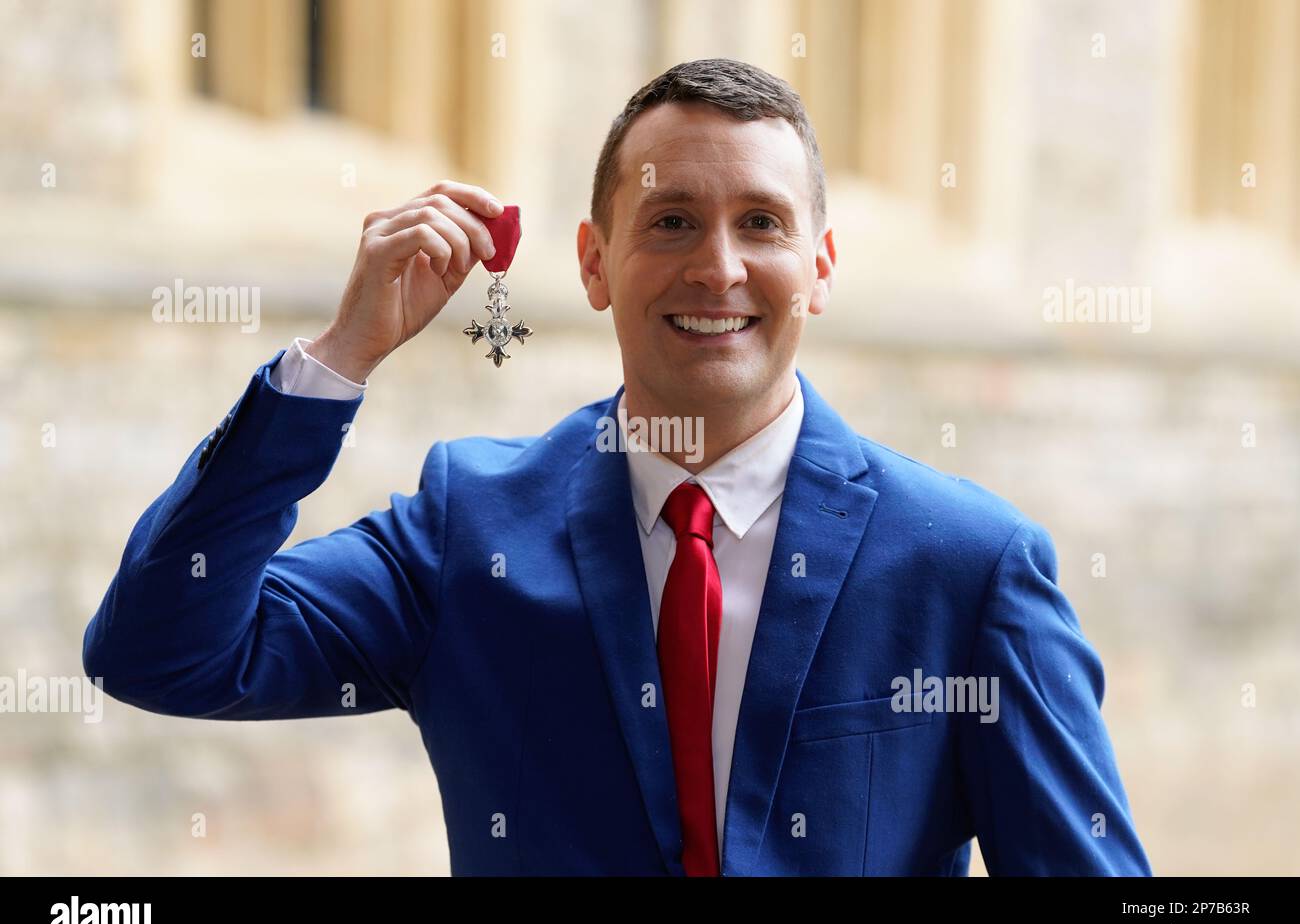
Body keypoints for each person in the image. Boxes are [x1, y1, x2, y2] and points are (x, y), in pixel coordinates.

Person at [83, 58, 1152, 876]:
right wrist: (338, 358)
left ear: (819, 269)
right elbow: (161, 653)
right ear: (595, 264)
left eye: (763, 225)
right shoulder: (471, 533)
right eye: (672, 221)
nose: (719, 266)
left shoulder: (965, 566)